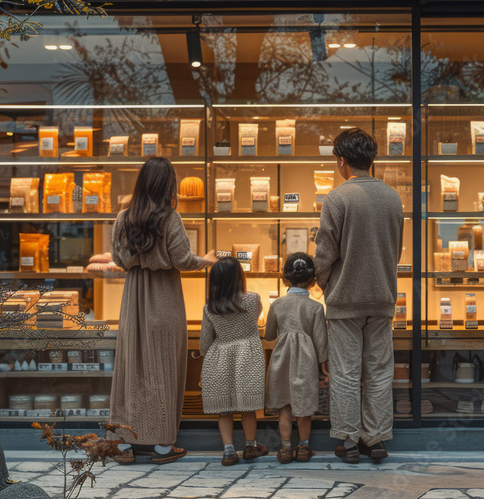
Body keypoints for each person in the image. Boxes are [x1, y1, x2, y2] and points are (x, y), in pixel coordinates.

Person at [109, 157, 217, 464]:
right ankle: (162, 446)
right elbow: (183, 260)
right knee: (164, 370)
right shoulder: (171, 219)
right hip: (166, 300)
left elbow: (119, 260)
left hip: (134, 301)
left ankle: (123, 444)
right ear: (167, 185)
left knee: (132, 370)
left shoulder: (123, 218)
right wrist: (208, 259)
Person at [314, 128, 404, 464]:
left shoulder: (337, 199)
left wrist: (327, 285)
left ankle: (349, 443)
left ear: (341, 161)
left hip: (344, 302)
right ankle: (376, 440)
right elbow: (393, 250)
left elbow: (324, 256)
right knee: (379, 372)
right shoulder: (392, 197)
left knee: (346, 373)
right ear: (371, 159)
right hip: (381, 299)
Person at [200, 257, 268, 466]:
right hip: (248, 356)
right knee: (247, 407)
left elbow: (205, 343)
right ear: (240, 276)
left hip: (219, 358)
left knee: (224, 409)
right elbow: (256, 318)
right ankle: (250, 446)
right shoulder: (252, 299)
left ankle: (229, 451)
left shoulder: (210, 307)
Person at [263, 252, 329, 464]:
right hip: (306, 361)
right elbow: (321, 341)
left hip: (282, 358)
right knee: (304, 407)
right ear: (313, 281)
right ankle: (303, 448)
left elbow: (269, 334)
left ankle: (284, 448)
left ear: (284, 279)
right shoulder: (316, 307)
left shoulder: (277, 305)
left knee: (284, 405)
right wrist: (324, 365)